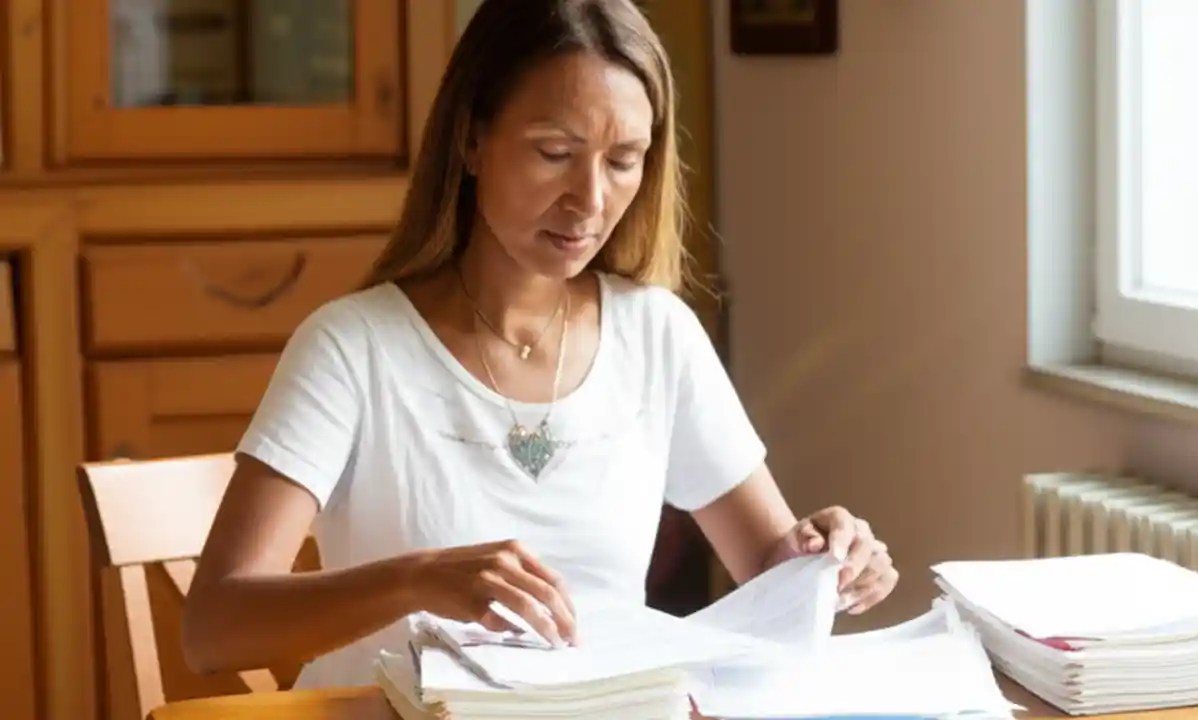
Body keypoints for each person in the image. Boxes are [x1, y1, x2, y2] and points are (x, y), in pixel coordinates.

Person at [182, 0, 898, 689]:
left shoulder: (656, 334)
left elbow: (769, 571)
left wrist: (827, 563)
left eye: (624, 160)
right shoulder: (352, 349)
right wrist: (417, 578)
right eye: (554, 152)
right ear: (470, 139)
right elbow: (214, 628)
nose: (589, 201)